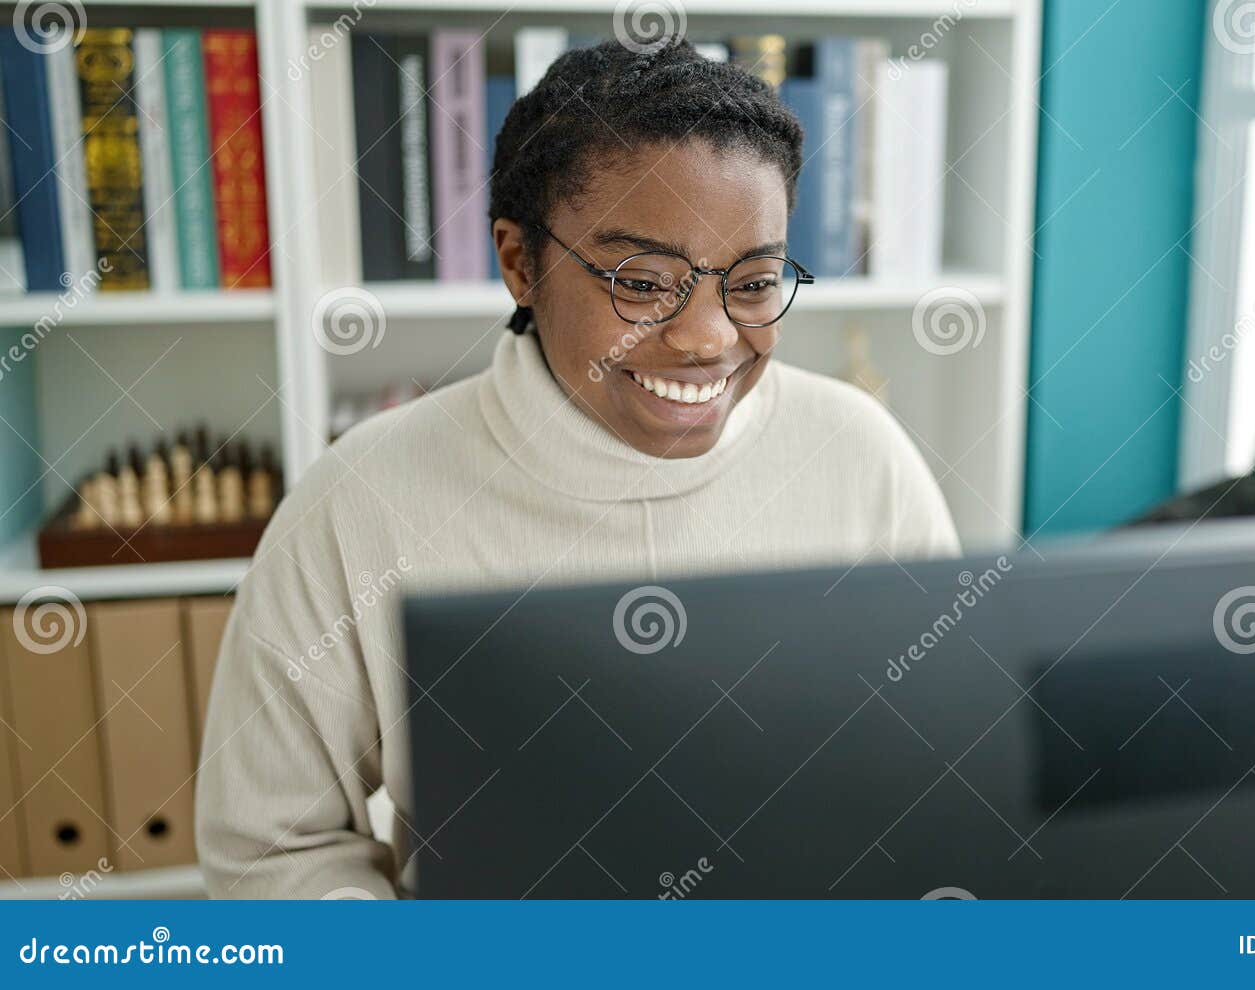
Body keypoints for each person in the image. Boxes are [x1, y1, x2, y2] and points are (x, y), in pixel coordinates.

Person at [195, 39, 959, 898]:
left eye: (753, 281)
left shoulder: (860, 456)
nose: (708, 337)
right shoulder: (360, 496)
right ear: (522, 264)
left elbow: (947, 776)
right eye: (642, 280)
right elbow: (271, 850)